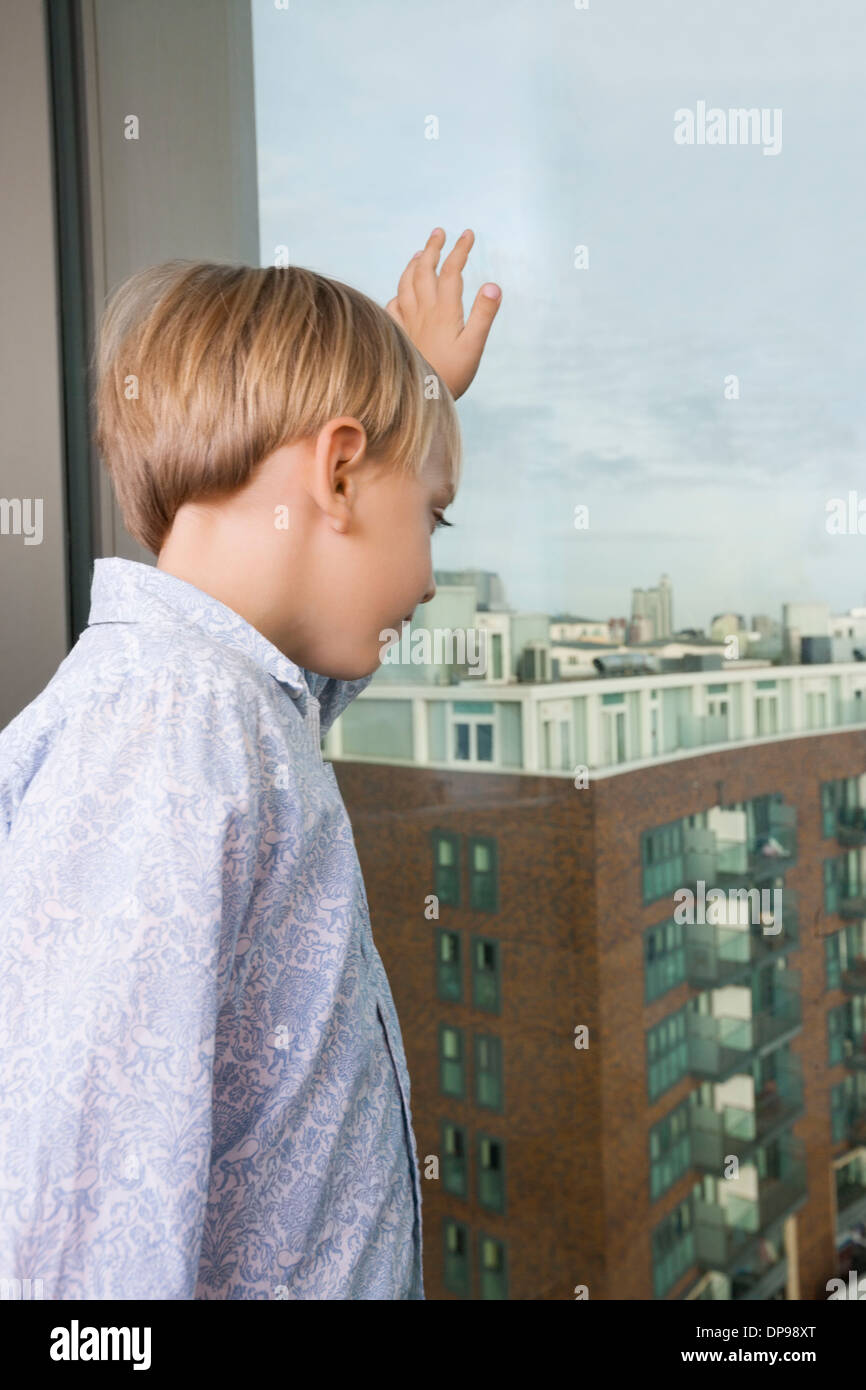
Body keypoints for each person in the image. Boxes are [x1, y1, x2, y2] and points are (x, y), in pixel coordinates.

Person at [0, 230, 501, 1299]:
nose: (430, 576)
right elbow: (86, 1239)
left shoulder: (223, 707)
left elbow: (300, 657)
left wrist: (416, 386)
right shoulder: (173, 734)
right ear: (338, 471)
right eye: (434, 513)